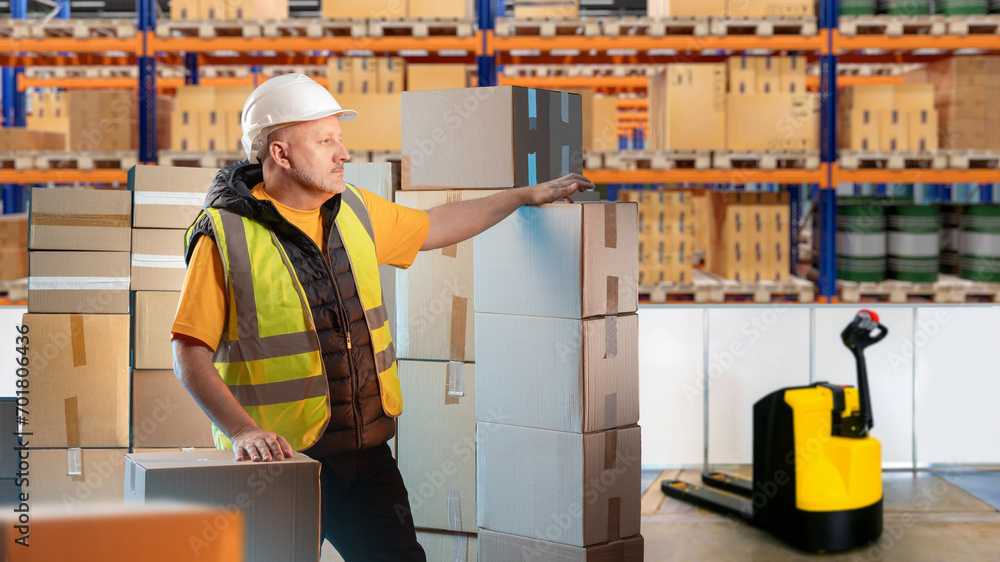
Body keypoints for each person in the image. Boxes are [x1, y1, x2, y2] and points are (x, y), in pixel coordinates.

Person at [170, 73, 594, 561]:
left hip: (366, 456)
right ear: (280, 153)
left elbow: (436, 225)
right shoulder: (224, 234)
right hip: (277, 466)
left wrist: (522, 195)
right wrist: (243, 431)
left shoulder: (355, 210)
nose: (342, 153)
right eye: (326, 140)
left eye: (340, 139)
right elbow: (188, 349)